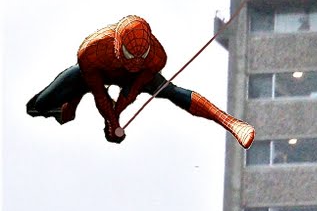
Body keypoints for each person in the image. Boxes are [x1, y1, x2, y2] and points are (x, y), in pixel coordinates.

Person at [25, 15, 254, 147]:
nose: (134, 62)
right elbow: (101, 96)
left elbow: (131, 92)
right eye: (129, 55)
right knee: (38, 105)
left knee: (170, 91)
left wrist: (117, 116)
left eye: (140, 57)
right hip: (95, 74)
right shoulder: (92, 51)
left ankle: (231, 123)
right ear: (117, 47)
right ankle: (69, 105)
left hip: (132, 80)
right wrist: (112, 122)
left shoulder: (156, 57)